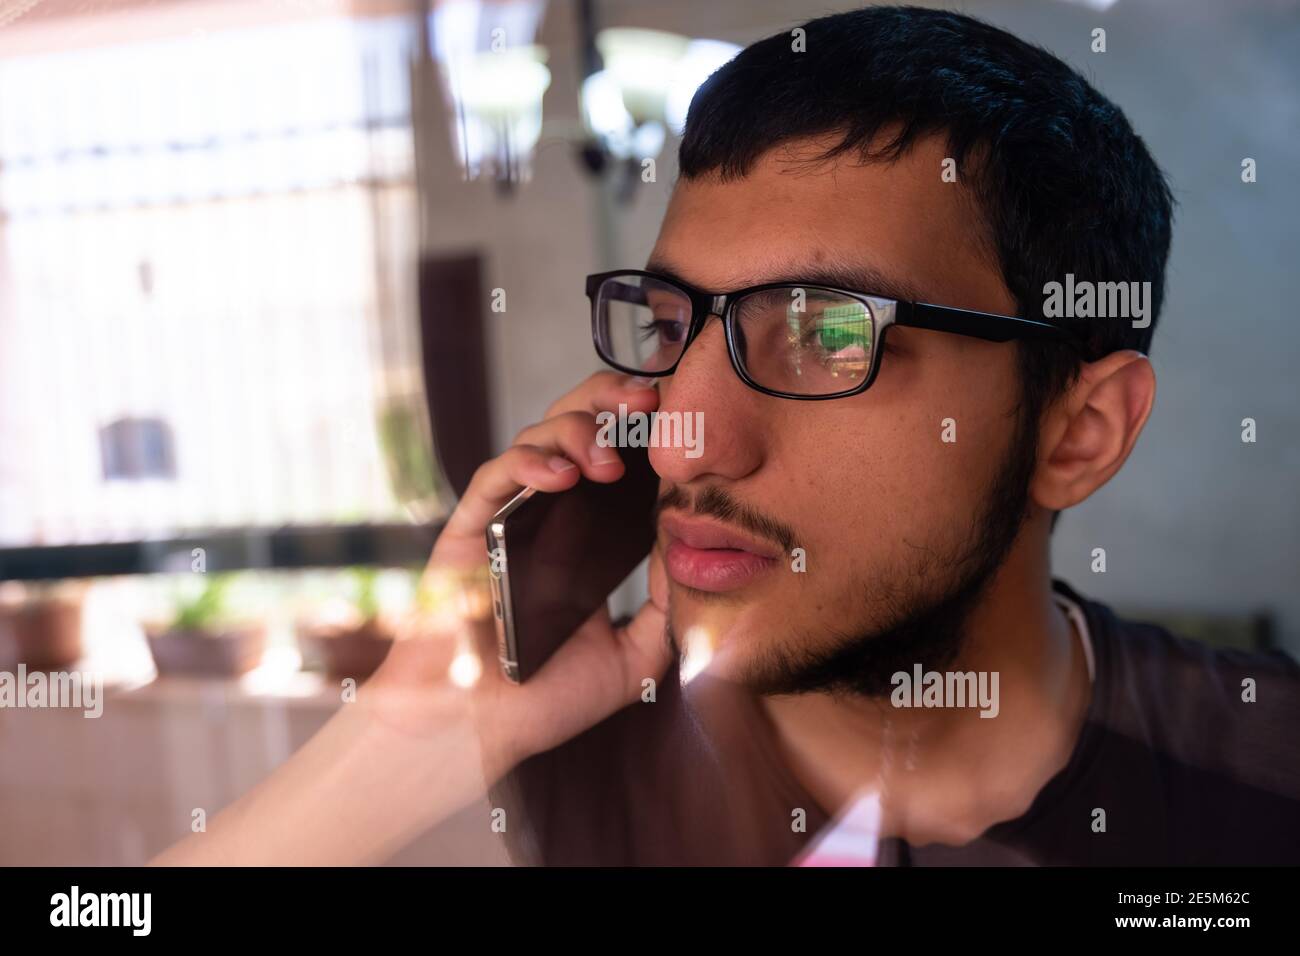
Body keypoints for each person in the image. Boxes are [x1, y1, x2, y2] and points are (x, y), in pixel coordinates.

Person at [155, 5, 1299, 867]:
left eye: (822, 332)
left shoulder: (1257, 771)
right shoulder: (585, 775)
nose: (687, 438)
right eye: (669, 324)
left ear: (1079, 431)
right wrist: (402, 744)